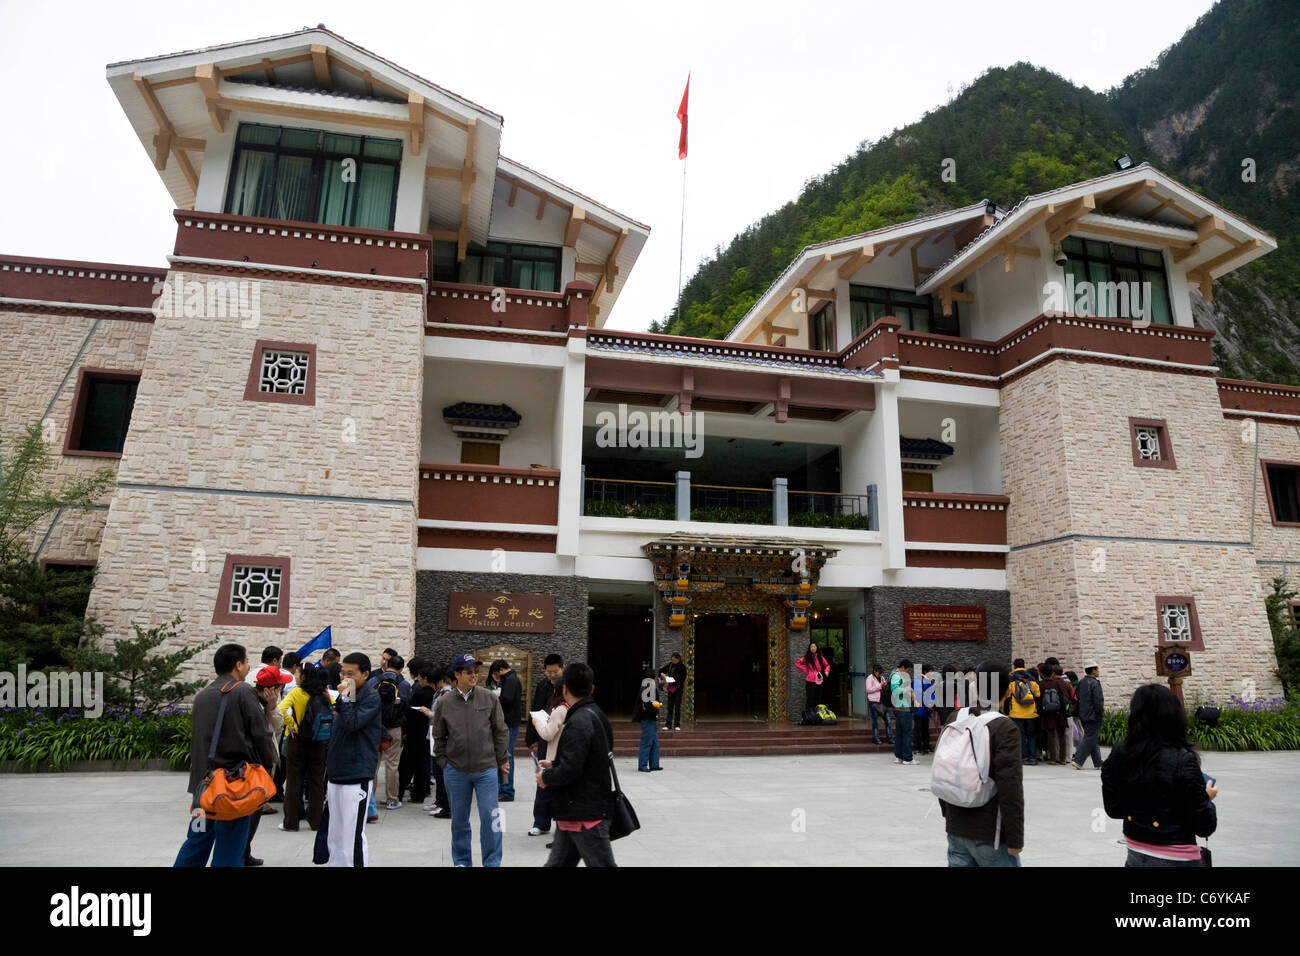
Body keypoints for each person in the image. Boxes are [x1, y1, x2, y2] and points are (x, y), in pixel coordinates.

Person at [175, 643, 278, 867]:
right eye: (246, 661)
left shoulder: (203, 696)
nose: (248, 666)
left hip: (202, 790)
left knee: (196, 841)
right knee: (230, 848)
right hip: (232, 787)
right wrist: (267, 766)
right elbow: (261, 735)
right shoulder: (242, 691)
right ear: (238, 664)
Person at [1102, 683, 1217, 867]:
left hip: (1135, 851)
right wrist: (1207, 798)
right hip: (1177, 857)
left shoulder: (1119, 752)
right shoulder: (1183, 759)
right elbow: (1205, 826)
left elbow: (1114, 809)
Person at [937, 659, 1025, 867]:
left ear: (975, 687)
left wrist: (949, 814)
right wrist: (1015, 838)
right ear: (1007, 692)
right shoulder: (1004, 727)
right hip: (990, 834)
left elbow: (944, 769)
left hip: (956, 829)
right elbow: (1010, 786)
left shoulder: (955, 718)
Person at [430, 653, 510, 867]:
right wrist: (443, 760)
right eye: (469, 672)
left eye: (476, 672)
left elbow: (500, 731)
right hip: (456, 770)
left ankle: (492, 862)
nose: (474, 676)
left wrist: (501, 758)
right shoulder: (445, 701)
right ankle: (462, 861)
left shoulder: (489, 698)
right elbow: (438, 734)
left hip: (486, 769)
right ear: (457, 675)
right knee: (459, 821)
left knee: (492, 818)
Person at [537, 662, 617, 867]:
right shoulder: (596, 714)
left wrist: (546, 777)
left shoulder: (578, 721)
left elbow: (571, 769)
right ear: (591, 688)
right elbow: (589, 758)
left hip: (584, 813)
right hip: (577, 809)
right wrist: (555, 763)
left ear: (564, 689)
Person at [324, 652, 383, 867]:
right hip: (337, 771)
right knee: (335, 833)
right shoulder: (346, 695)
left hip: (357, 773)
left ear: (365, 674)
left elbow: (352, 723)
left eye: (350, 673)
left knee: (352, 834)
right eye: (342, 672)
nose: (344, 677)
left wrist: (344, 698)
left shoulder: (370, 696)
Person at [242, 665, 289, 864]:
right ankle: (241, 853)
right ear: (270, 688)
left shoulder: (266, 702)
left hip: (263, 763)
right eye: (278, 687)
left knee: (255, 813)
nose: (279, 691)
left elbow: (278, 725)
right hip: (254, 766)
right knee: (249, 814)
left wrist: (271, 707)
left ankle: (245, 851)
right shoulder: (251, 703)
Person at [278, 662, 330, 831]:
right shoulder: (323, 693)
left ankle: (291, 822)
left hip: (298, 740)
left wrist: (291, 725)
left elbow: (281, 708)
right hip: (318, 741)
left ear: (303, 676)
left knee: (294, 782)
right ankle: (316, 822)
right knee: (317, 782)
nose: (295, 676)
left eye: (298, 674)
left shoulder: (297, 692)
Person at [527, 654, 565, 836]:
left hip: (562, 739)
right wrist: (532, 737)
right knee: (542, 779)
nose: (551, 675)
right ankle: (541, 822)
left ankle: (562, 825)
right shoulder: (543, 686)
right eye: (548, 672)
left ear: (563, 668)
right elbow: (534, 711)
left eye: (555, 671)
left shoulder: (568, 686)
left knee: (560, 780)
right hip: (544, 736)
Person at [374, 654, 409, 810]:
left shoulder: (374, 681)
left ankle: (369, 798)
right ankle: (392, 799)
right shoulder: (403, 684)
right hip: (394, 728)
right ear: (401, 668)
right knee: (392, 764)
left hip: (375, 727)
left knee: (373, 763)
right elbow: (407, 705)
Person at [399, 665, 435, 809]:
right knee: (423, 764)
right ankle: (421, 792)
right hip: (426, 734)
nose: (418, 679)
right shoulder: (434, 693)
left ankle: (398, 793)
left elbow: (410, 714)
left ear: (425, 678)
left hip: (415, 734)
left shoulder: (420, 694)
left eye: (420, 677)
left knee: (406, 765)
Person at [487, 660, 523, 802]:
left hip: (509, 723)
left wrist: (494, 703)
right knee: (504, 755)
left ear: (501, 669)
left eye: (497, 673)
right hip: (508, 722)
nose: (497, 677)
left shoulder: (510, 680)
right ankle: (503, 788)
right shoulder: (511, 679)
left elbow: (506, 699)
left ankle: (507, 790)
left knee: (506, 756)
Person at [1003, 660, 1041, 765]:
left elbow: (1007, 696)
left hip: (1016, 712)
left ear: (1014, 666)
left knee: (1021, 735)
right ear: (1024, 666)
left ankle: (1023, 757)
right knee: (1031, 735)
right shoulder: (1031, 679)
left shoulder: (1011, 679)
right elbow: (1037, 695)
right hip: (1031, 712)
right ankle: (1033, 757)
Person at [1038, 664, 1075, 765]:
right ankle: (1063, 759)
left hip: (1048, 714)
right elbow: (1064, 698)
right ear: (1052, 673)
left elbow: (1039, 700)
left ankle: (1053, 758)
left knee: (1051, 735)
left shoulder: (1041, 684)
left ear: (1042, 673)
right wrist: (1064, 711)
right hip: (1060, 713)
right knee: (1061, 735)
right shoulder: (1058, 684)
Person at [1071, 662, 1105, 770]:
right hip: (1093, 715)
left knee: (1092, 738)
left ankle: (1098, 762)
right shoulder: (1095, 683)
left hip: (1083, 714)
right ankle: (1078, 760)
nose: (1098, 671)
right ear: (1093, 670)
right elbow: (1098, 701)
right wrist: (1100, 714)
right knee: (1090, 738)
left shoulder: (1082, 682)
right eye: (1097, 669)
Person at [635, 668, 662, 772]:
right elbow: (647, 704)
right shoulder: (647, 687)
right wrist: (656, 709)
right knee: (647, 742)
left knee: (655, 742)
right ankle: (642, 765)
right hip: (648, 718)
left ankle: (654, 764)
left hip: (652, 718)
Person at [795, 641, 831, 715]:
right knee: (810, 698)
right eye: (811, 647)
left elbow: (827, 665)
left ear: (817, 648)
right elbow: (797, 663)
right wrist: (806, 670)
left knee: (818, 698)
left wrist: (826, 672)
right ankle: (809, 715)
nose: (813, 648)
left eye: (814, 647)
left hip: (819, 680)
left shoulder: (820, 657)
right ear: (809, 648)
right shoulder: (807, 658)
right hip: (810, 681)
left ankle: (817, 714)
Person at [891, 660, 916, 764]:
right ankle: (907, 758)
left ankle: (899, 756)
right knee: (906, 733)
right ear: (903, 667)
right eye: (908, 669)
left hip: (899, 708)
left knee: (900, 733)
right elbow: (895, 690)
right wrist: (908, 689)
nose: (908, 672)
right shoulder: (897, 676)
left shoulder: (895, 675)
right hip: (903, 708)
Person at [658, 652, 686, 730]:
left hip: (678, 689)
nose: (672, 661)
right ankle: (668, 724)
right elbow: (661, 670)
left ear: (678, 659)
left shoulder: (682, 667)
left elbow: (679, 680)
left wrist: (667, 678)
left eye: (674, 660)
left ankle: (677, 724)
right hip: (671, 689)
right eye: (672, 660)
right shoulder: (670, 665)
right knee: (670, 707)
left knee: (677, 707)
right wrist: (662, 674)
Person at [866, 664, 892, 745]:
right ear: (874, 671)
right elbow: (868, 690)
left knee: (888, 721)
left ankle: (890, 738)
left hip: (883, 702)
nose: (880, 674)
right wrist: (879, 686)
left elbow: (883, 688)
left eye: (881, 673)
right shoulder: (869, 678)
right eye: (878, 673)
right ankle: (876, 738)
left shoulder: (882, 678)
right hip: (873, 702)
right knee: (875, 722)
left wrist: (884, 685)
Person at [913, 663, 935, 755]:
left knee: (925, 729)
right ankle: (918, 747)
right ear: (925, 671)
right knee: (918, 729)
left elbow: (932, 694)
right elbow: (919, 694)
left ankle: (926, 746)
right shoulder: (919, 681)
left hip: (926, 710)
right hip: (919, 709)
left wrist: (932, 704)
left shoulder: (928, 681)